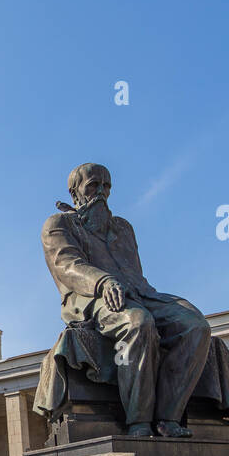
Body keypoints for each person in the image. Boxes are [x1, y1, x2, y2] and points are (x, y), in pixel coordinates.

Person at [41, 163, 212, 438]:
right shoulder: (58, 224)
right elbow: (66, 266)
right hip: (90, 297)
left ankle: (168, 418)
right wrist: (103, 281)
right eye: (94, 185)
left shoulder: (123, 228)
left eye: (107, 186)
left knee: (195, 324)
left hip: (138, 292)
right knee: (138, 322)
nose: (102, 192)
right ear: (75, 193)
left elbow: (135, 271)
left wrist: (145, 294)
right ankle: (139, 422)